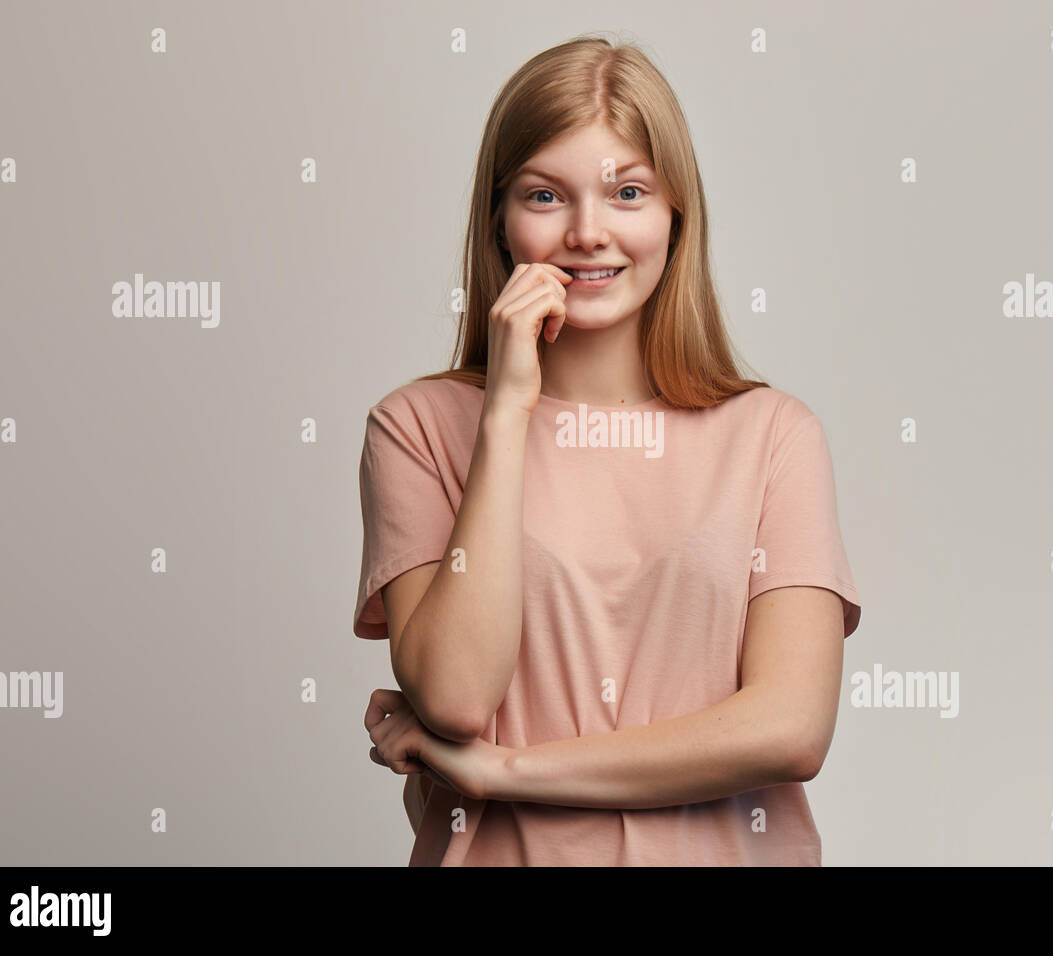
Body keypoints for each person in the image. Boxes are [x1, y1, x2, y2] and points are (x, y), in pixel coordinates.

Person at [354, 34, 862, 866]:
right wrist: (508, 412)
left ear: (675, 216)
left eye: (628, 191)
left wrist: (505, 771)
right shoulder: (415, 429)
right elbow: (453, 695)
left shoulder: (773, 435)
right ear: (501, 219)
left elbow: (791, 729)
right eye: (546, 196)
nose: (589, 233)